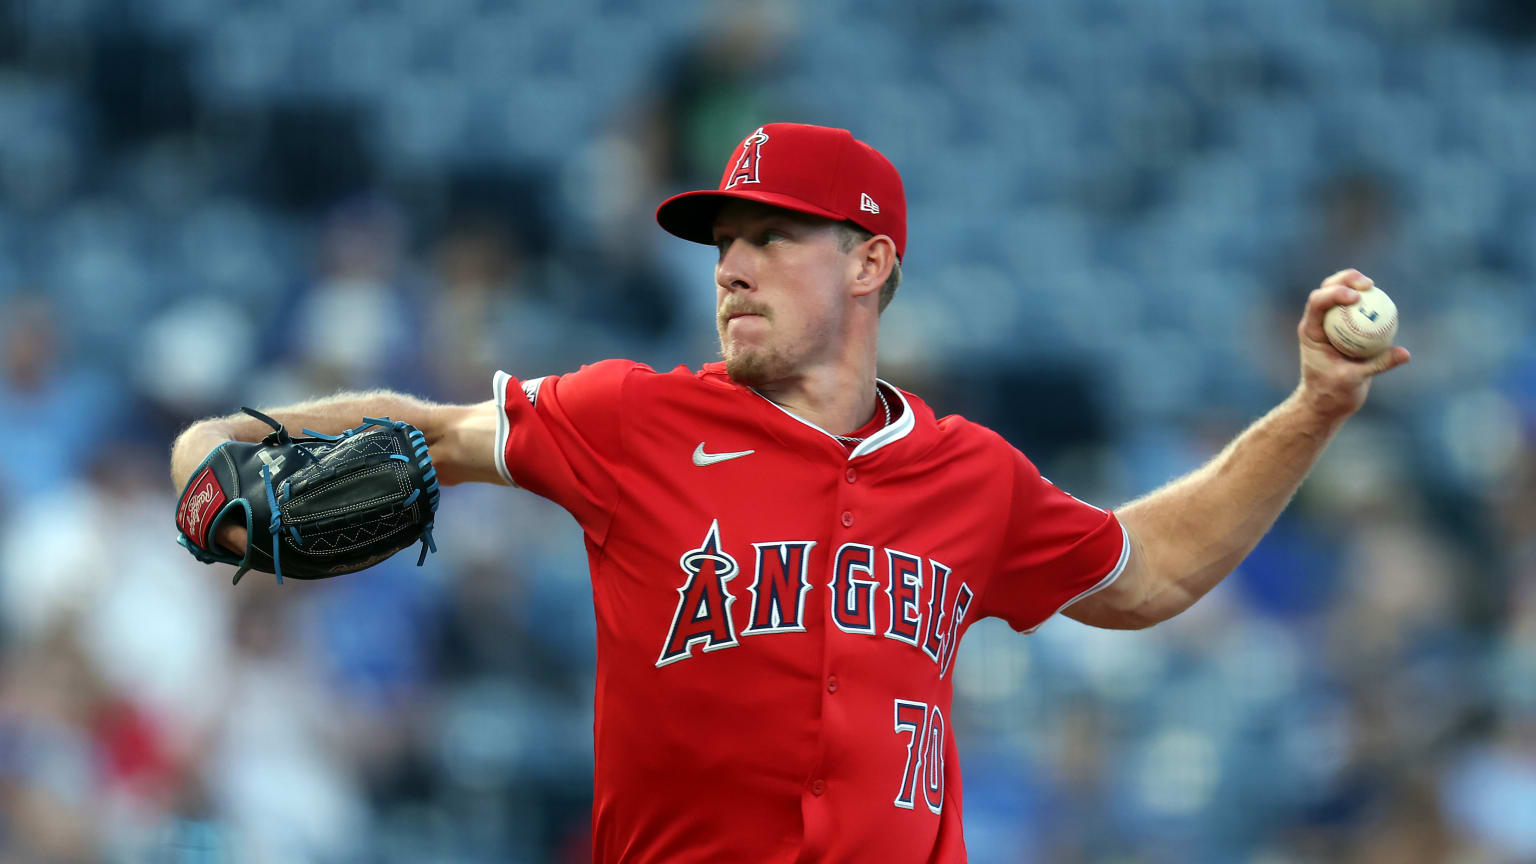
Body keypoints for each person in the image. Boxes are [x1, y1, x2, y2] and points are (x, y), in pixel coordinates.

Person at [170, 122, 1411, 862]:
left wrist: (1312, 412)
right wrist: (222, 438)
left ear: (869, 260)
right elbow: (431, 432)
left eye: (772, 236)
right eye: (724, 245)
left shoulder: (972, 475)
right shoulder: (634, 418)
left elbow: (1148, 575)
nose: (735, 267)